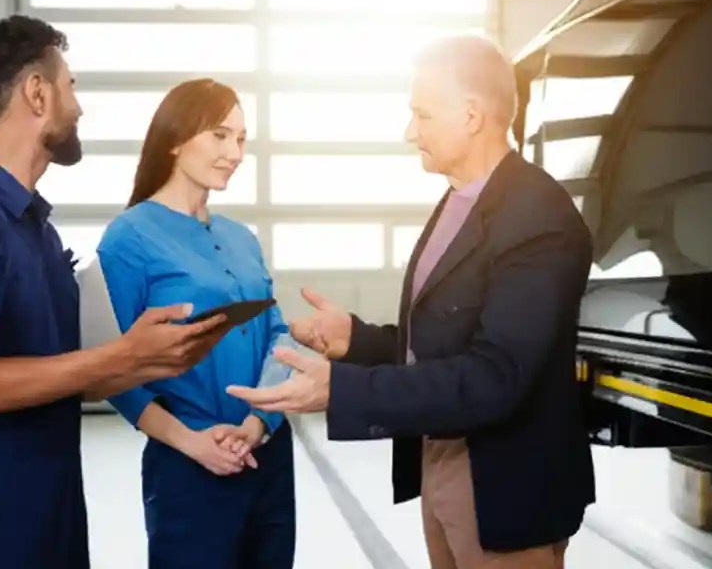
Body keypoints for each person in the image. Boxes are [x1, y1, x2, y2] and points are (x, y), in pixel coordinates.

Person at [229, 35, 595, 569]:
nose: (409, 132)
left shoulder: (538, 217)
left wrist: (342, 389)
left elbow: (497, 375)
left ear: (471, 115)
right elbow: (447, 341)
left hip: (504, 486)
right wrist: (357, 341)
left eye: (422, 115)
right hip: (442, 460)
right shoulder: (459, 201)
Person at [0, 16, 231, 569]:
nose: (79, 108)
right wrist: (119, 356)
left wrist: (155, 358)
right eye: (70, 86)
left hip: (52, 511)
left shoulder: (36, 230)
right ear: (37, 92)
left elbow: (64, 373)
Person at [96, 78, 300, 569]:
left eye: (242, 139)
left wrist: (258, 422)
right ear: (174, 139)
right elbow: (112, 370)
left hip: (266, 451)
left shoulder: (241, 238)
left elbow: (277, 333)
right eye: (220, 135)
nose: (235, 153)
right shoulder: (128, 239)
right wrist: (191, 443)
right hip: (188, 462)